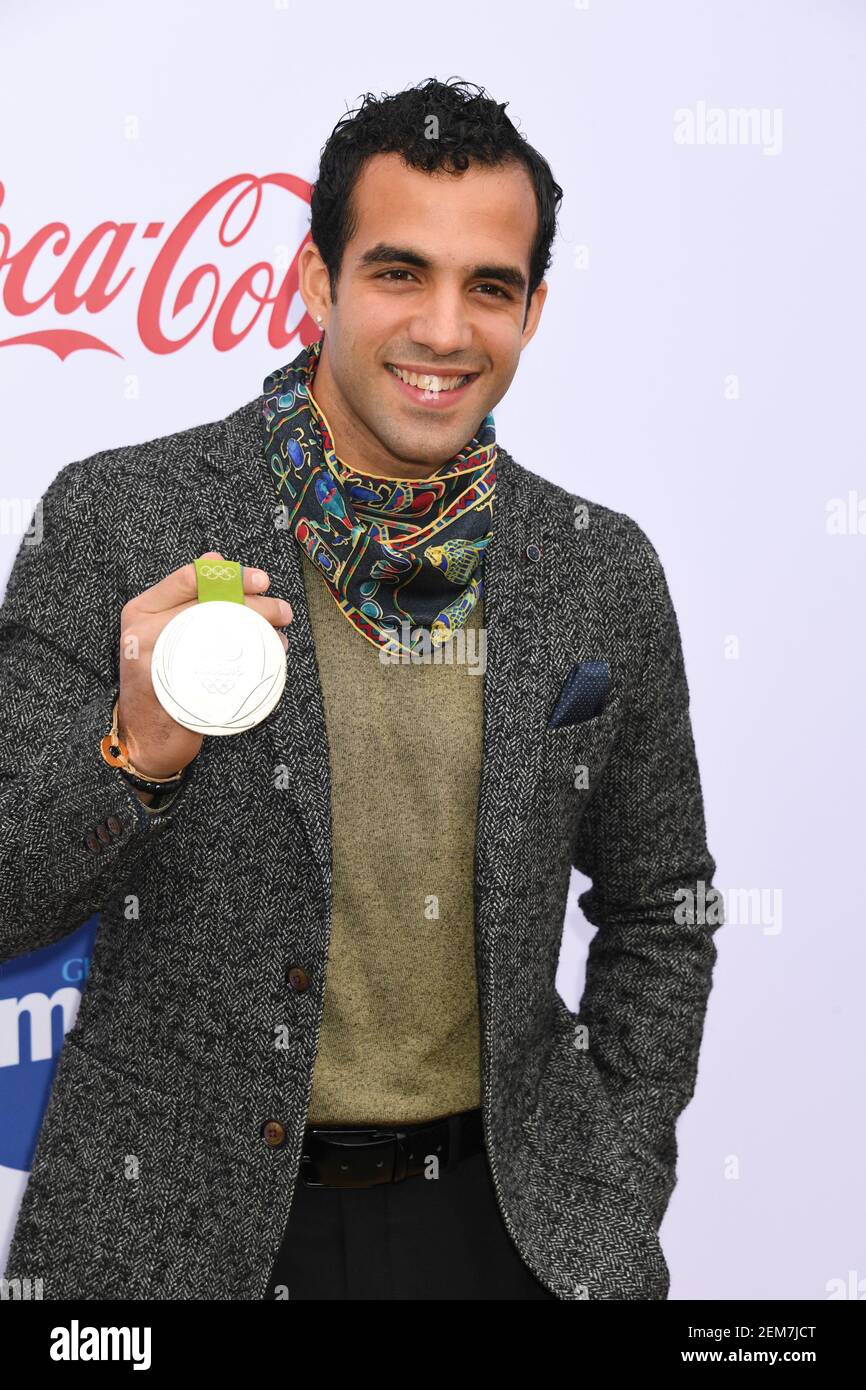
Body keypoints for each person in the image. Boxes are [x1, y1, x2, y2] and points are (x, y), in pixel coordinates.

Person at [0, 77, 722, 1301]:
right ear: (316, 283)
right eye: (398, 273)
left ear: (532, 310)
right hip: (176, 1241)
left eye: (487, 286)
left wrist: (610, 1177)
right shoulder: (120, 518)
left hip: (506, 1235)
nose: (443, 330)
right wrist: (136, 750)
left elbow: (662, 905)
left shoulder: (599, 570)